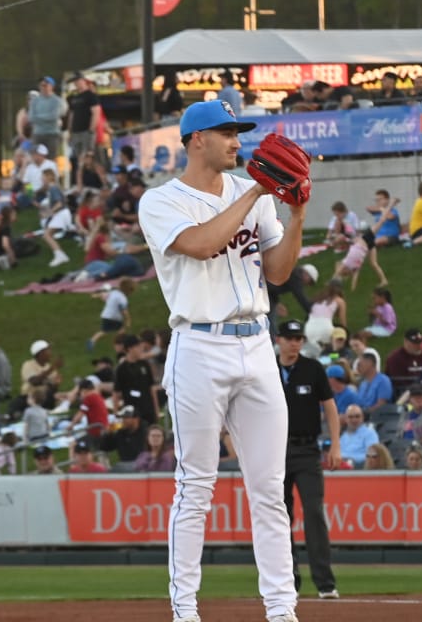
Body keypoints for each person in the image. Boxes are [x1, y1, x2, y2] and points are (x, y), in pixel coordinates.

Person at [136, 100, 304, 622]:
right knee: (196, 485)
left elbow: (277, 272)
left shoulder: (253, 196)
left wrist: (296, 212)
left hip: (256, 342)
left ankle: (282, 609)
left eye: (238, 131)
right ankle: (184, 609)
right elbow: (204, 244)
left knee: (269, 488)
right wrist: (257, 190)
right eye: (225, 131)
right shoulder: (160, 201)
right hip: (198, 345)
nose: (237, 140)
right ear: (195, 141)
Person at [275, 319, 342, 599]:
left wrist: (335, 445)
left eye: (299, 338)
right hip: (274, 452)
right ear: (279, 339)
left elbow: (329, 407)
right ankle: (286, 580)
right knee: (280, 518)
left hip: (307, 450)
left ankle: (325, 583)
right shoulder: (265, 367)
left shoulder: (312, 368)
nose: (295, 343)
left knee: (314, 513)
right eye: (290, 338)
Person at [28, 76, 67, 156]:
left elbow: (54, 116)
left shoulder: (57, 101)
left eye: (45, 85)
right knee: (36, 157)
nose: (43, 87)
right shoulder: (35, 101)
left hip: (52, 134)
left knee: (51, 158)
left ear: (51, 86)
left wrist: (38, 118)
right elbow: (31, 117)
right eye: (41, 85)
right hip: (38, 134)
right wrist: (46, 117)